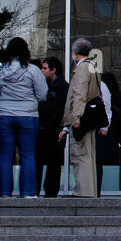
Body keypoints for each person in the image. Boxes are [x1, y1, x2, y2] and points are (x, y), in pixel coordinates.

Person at [0, 37, 49, 198]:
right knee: (28, 155)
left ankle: (4, 192)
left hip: (4, 115)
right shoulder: (33, 70)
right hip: (28, 116)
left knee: (5, 155)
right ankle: (28, 192)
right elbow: (43, 94)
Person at [61, 39, 103, 197]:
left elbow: (78, 95)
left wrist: (75, 118)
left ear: (75, 51)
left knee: (80, 155)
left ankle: (83, 191)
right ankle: (90, 190)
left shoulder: (82, 69)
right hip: (91, 118)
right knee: (89, 154)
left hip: (82, 117)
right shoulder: (93, 67)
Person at [36, 57, 69, 197]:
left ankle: (50, 192)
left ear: (53, 70)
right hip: (46, 129)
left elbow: (63, 109)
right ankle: (39, 190)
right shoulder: (47, 84)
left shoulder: (62, 86)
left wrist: (50, 123)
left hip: (54, 130)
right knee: (41, 162)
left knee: (53, 164)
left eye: (45, 68)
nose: (42, 71)